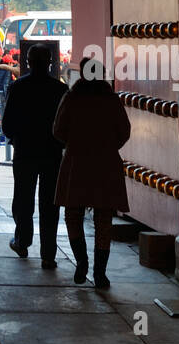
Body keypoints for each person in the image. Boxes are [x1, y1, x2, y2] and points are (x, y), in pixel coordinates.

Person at [53, 57, 131, 288]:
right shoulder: (111, 100)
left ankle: (81, 263)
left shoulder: (72, 98)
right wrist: (107, 146)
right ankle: (100, 273)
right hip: (105, 163)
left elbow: (58, 130)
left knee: (73, 214)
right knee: (103, 219)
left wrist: (75, 142)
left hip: (76, 162)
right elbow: (124, 132)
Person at [0, 44, 67, 267]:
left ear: (28, 62)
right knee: (50, 204)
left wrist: (17, 137)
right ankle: (48, 254)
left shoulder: (17, 88)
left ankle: (22, 241)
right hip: (52, 153)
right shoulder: (59, 90)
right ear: (51, 62)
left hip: (25, 152)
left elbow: (7, 124)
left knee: (23, 200)